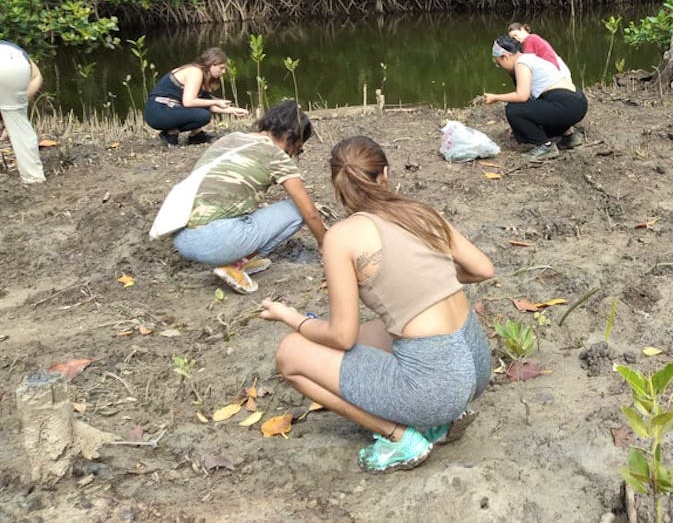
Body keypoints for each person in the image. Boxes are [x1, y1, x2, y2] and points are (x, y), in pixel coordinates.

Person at [260, 136, 494, 473]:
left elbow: (340, 336)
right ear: (384, 174)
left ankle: (400, 436)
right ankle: (446, 414)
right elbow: (483, 269)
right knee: (374, 332)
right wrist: (431, 282)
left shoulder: (341, 237)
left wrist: (293, 318)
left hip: (436, 386)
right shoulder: (420, 212)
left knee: (291, 353)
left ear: (337, 187)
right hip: (475, 363)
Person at [171, 99, 324, 294]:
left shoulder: (231, 138)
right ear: (289, 136)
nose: (294, 154)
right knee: (296, 210)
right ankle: (235, 265)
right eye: (298, 149)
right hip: (215, 239)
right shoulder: (276, 156)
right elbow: (309, 212)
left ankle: (234, 257)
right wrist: (324, 244)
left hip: (181, 237)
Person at [484, 35, 587, 161]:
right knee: (521, 128)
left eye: (499, 63)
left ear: (505, 57)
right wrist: (518, 127)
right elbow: (532, 102)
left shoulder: (521, 63)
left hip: (565, 105)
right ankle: (569, 136)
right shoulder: (530, 58)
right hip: (578, 102)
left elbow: (522, 96)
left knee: (513, 110)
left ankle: (545, 147)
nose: (500, 67)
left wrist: (496, 97)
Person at [143, 47, 248, 147]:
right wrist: (216, 102)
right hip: (158, 111)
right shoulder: (195, 72)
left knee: (202, 110)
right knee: (203, 116)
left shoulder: (202, 75)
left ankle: (196, 135)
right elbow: (189, 102)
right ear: (211, 64)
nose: (224, 72)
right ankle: (170, 133)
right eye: (221, 68)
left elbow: (203, 103)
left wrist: (232, 110)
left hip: (166, 109)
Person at [0, 41, 46, 184]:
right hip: (17, 63)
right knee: (20, 128)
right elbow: (36, 78)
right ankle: (34, 178)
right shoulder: (9, 47)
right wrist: (13, 112)